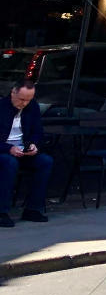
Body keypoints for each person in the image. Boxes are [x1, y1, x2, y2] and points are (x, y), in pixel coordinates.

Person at [0, 82, 52, 225]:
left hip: (22, 150)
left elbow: (37, 131)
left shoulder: (32, 107)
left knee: (45, 161)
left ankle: (33, 209)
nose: (24, 103)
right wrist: (8, 148)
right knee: (9, 162)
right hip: (4, 150)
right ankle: (2, 211)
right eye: (21, 99)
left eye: (28, 100)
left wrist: (34, 145)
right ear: (13, 93)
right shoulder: (2, 107)